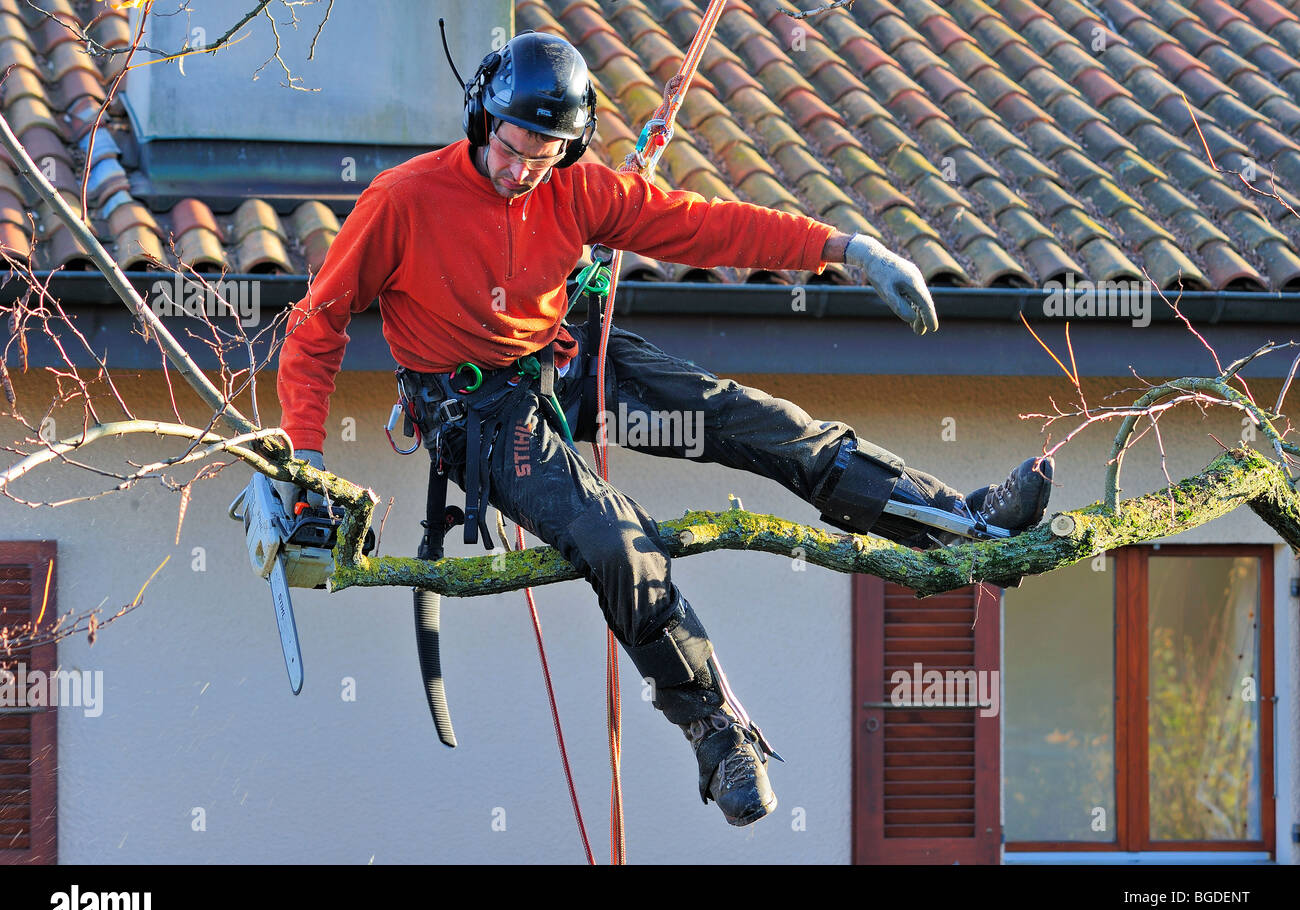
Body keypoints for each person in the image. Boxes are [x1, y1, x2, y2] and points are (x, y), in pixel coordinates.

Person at [273, 32, 1054, 827]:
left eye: (544, 156)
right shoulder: (404, 201)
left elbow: (705, 226)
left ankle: (961, 523)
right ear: (482, 118)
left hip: (563, 363)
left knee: (754, 421)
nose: (522, 171)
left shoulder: (575, 189)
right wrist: (305, 468)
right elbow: (315, 327)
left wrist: (844, 248)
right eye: (511, 149)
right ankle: (714, 727)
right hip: (477, 415)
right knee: (613, 536)